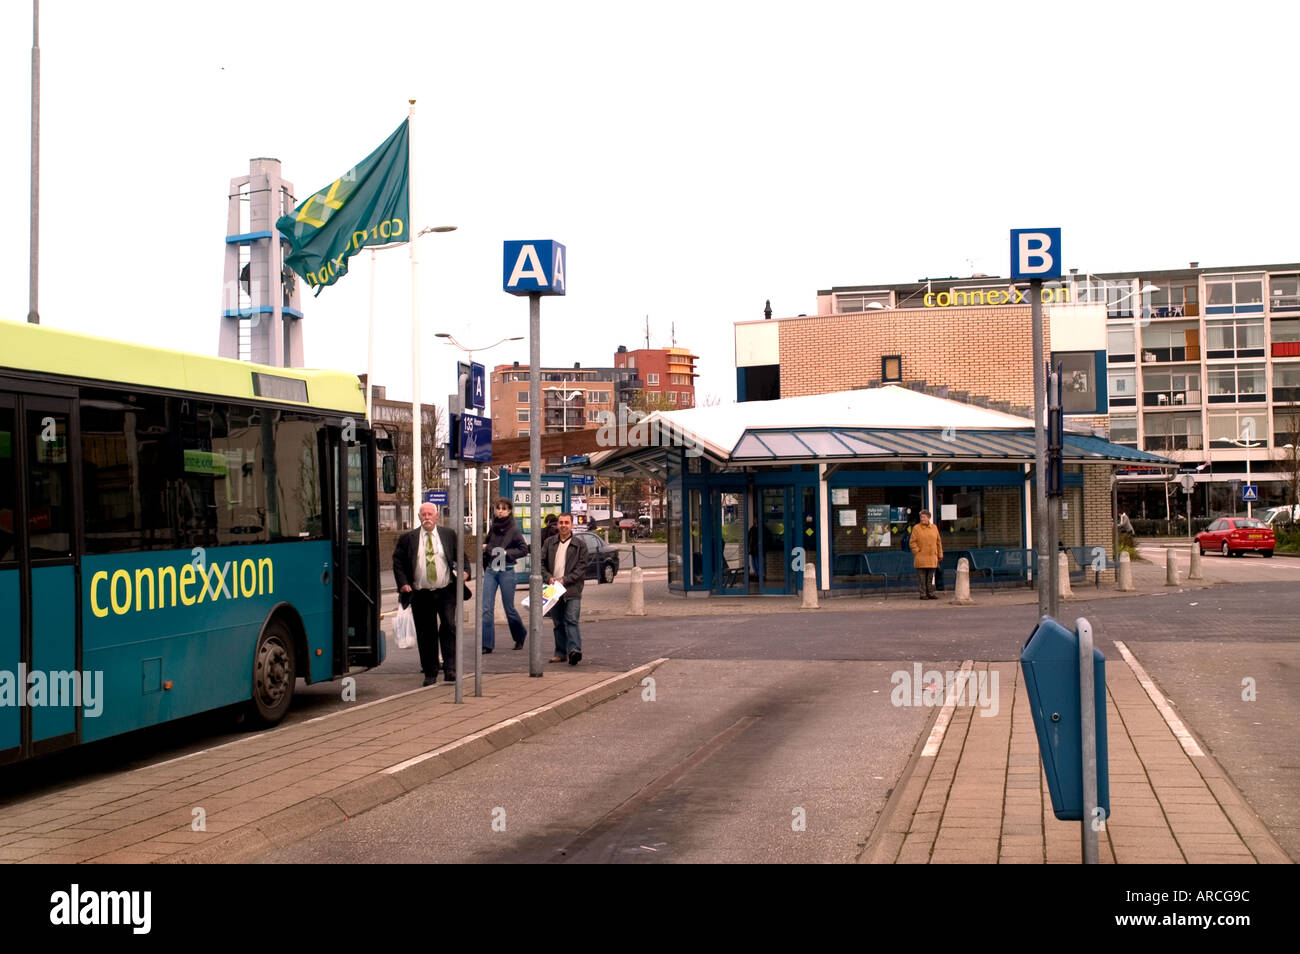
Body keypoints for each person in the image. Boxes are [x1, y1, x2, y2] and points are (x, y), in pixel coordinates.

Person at [393, 503, 470, 686]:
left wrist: (465, 572)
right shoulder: (408, 538)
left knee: (449, 627)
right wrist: (403, 583)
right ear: (419, 517)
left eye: (430, 514)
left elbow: (461, 557)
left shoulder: (448, 535)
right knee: (426, 633)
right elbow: (398, 562)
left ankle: (450, 669)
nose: (427, 517)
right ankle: (430, 671)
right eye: (423, 514)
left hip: (446, 591)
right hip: (421, 593)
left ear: (436, 516)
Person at [541, 512, 590, 665]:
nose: (563, 525)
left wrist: (565, 580)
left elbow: (582, 567)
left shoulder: (579, 545)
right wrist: (548, 577)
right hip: (552, 588)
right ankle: (560, 653)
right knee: (558, 622)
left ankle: (574, 650)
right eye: (560, 523)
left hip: (572, 589)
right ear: (557, 525)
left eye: (566, 523)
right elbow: (540, 563)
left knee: (571, 619)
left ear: (572, 525)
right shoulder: (549, 543)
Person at [481, 497, 529, 653]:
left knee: (509, 608)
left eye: (503, 508)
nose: (500, 511)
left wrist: (506, 553)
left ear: (509, 511)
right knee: (486, 608)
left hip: (506, 570)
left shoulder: (514, 529)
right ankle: (487, 644)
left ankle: (520, 635)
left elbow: (523, 549)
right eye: (498, 508)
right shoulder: (493, 527)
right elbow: (487, 544)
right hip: (491, 570)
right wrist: (486, 548)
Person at [909, 509, 942, 600]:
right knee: (922, 577)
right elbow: (912, 542)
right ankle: (923, 594)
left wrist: (940, 554)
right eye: (921, 517)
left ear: (929, 518)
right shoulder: (916, 528)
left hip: (932, 556)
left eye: (924, 517)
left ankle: (930, 593)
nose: (922, 519)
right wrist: (917, 551)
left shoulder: (934, 527)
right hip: (921, 556)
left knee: (930, 577)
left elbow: (938, 542)